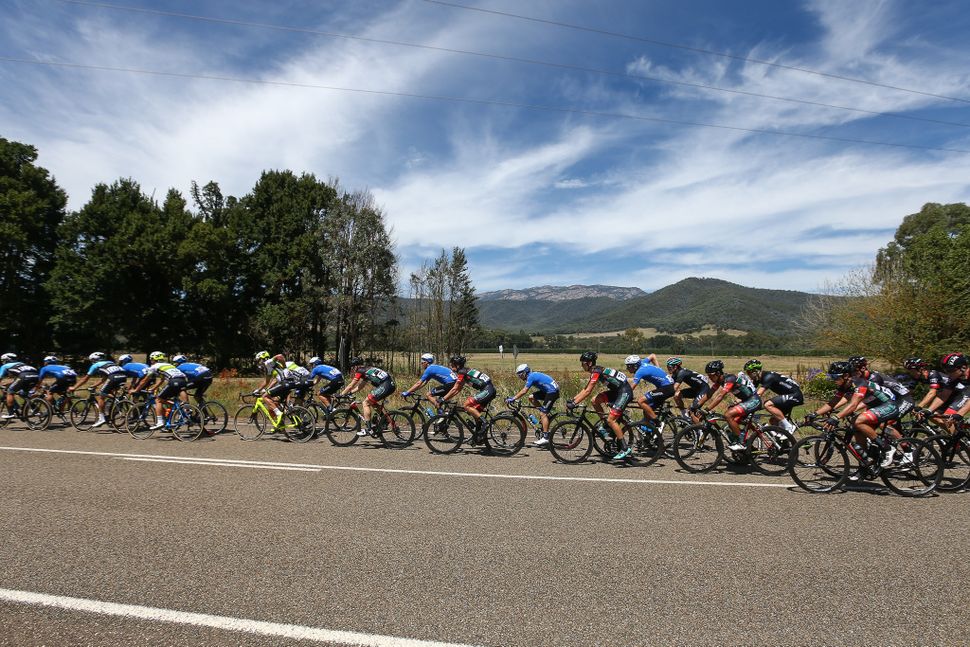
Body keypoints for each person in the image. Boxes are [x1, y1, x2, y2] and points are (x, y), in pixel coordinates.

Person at [813, 361, 901, 468]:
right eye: (831, 376)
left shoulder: (859, 383)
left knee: (857, 421)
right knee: (857, 432)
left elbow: (853, 404)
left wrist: (835, 418)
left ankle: (886, 448)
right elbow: (832, 403)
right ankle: (865, 467)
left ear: (846, 376)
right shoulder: (844, 386)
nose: (833, 380)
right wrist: (814, 414)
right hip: (875, 407)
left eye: (835, 377)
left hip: (889, 405)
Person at [568, 351, 633, 460]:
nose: (581, 365)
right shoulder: (597, 370)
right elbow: (585, 389)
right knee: (595, 401)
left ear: (589, 363)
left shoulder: (596, 371)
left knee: (611, 419)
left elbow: (588, 391)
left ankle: (625, 448)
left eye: (583, 363)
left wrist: (574, 403)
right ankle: (605, 426)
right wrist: (573, 399)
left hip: (624, 392)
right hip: (617, 391)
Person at [700, 360, 761, 451]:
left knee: (728, 415)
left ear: (717, 373)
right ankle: (748, 446)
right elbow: (709, 394)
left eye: (711, 376)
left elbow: (720, 396)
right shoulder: (719, 382)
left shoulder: (730, 379)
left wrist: (707, 409)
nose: (710, 378)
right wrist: (697, 406)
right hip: (746, 401)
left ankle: (741, 443)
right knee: (731, 424)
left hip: (753, 400)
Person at [440, 355, 496, 445]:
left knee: (466, 405)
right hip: (489, 389)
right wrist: (447, 398)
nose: (451, 366)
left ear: (457, 365)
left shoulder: (462, 372)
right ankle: (477, 437)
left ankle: (485, 423)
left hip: (487, 390)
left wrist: (443, 399)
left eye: (452, 364)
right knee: (475, 412)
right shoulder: (465, 371)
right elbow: (458, 389)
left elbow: (455, 388)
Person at [339, 357, 395, 437]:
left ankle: (369, 429)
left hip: (386, 385)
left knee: (365, 402)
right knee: (371, 402)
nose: (352, 370)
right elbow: (360, 386)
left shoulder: (360, 371)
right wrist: (350, 392)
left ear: (355, 366)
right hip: (389, 384)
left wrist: (342, 394)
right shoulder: (366, 369)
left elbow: (352, 384)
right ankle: (384, 420)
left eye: (352, 368)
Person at [506, 363, 560, 446]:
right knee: (531, 397)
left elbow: (524, 391)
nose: (519, 377)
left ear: (524, 373)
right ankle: (544, 413)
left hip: (552, 392)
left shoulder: (531, 377)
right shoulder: (532, 375)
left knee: (543, 414)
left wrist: (513, 398)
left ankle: (546, 437)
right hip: (548, 390)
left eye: (520, 375)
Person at [743, 359, 803, 433]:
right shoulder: (758, 379)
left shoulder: (768, 377)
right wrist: (741, 400)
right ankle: (783, 440)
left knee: (767, 404)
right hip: (789, 395)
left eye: (749, 372)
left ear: (756, 371)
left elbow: (758, 394)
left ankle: (789, 427)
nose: (748, 374)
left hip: (795, 395)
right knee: (773, 421)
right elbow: (751, 393)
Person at [69, 352, 127, 428]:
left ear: (93, 360)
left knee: (101, 396)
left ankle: (101, 418)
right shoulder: (110, 363)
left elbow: (85, 379)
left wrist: (74, 387)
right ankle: (117, 402)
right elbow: (104, 379)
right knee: (109, 393)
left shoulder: (95, 365)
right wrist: (94, 385)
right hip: (123, 376)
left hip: (114, 377)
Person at [133, 352, 188, 430]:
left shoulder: (154, 366)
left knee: (158, 400)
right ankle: (181, 407)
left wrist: (136, 390)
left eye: (151, 359)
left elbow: (144, 380)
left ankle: (160, 422)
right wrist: (153, 388)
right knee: (165, 399)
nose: (150, 361)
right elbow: (162, 380)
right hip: (183, 380)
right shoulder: (169, 365)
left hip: (174, 381)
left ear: (153, 359)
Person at [624, 354, 675, 430]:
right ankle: (650, 431)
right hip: (667, 387)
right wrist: (658, 368)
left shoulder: (640, 371)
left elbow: (631, 388)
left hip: (666, 388)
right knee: (647, 410)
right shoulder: (642, 363)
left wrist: (623, 396)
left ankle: (657, 422)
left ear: (635, 366)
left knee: (641, 401)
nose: (627, 368)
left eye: (629, 366)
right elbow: (653, 356)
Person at [253, 351, 293, 421]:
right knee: (276, 402)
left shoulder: (268, 362)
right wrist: (258, 390)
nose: (258, 363)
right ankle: (283, 423)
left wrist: (285, 367)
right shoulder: (269, 367)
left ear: (263, 359)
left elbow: (280, 355)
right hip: (287, 383)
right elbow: (266, 381)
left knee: (264, 396)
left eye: (259, 360)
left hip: (284, 383)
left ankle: (278, 413)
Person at [0, 354, 40, 419]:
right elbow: (17, 379)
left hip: (24, 376)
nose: (2, 362)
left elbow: (0, 377)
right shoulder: (22, 364)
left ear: (6, 360)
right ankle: (35, 409)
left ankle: (11, 413)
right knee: (23, 393)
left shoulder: (5, 366)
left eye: (3, 360)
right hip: (36, 376)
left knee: (9, 392)